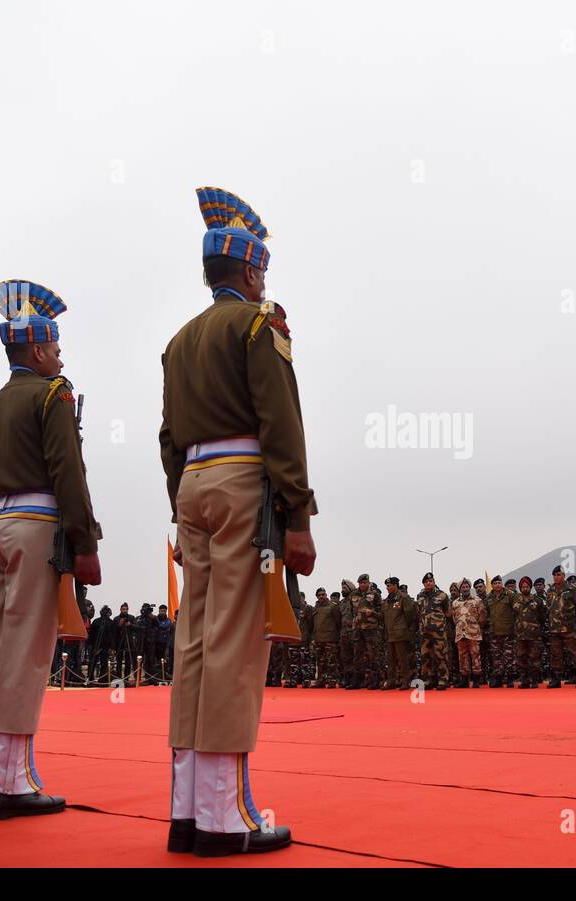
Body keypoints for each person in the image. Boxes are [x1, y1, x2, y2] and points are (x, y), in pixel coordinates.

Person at [159, 187, 315, 856]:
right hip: (243, 486)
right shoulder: (259, 324)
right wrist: (299, 512)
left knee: (193, 643)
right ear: (250, 272)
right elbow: (281, 424)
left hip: (192, 486)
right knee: (234, 644)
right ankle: (225, 817)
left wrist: (180, 500)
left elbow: (168, 436)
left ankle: (187, 806)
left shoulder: (179, 340)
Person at [0, 279, 101, 821]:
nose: (60, 354)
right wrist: (85, 540)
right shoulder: (54, 393)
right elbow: (67, 472)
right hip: (37, 527)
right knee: (26, 653)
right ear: (38, 349)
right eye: (55, 346)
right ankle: (9, 782)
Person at [544, 566, 576, 688]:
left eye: (559, 574)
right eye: (555, 575)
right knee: (556, 655)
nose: (556, 577)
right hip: (554, 628)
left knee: (575, 653)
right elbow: (548, 609)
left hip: (569, 628)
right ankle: (556, 680)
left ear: (564, 575)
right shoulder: (550, 591)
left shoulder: (572, 590)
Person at [415, 573, 451, 690]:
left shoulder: (442, 595)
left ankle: (443, 679)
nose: (428, 583)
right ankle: (427, 680)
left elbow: (448, 612)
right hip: (424, 631)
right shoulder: (420, 596)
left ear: (434, 582)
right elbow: (418, 612)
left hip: (438, 631)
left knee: (441, 655)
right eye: (426, 582)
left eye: (430, 581)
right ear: (424, 584)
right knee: (425, 656)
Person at [381, 577, 416, 689]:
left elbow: (409, 615)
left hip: (400, 634)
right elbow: (384, 617)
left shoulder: (403, 598)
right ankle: (391, 680)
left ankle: (405, 680)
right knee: (390, 660)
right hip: (390, 634)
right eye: (387, 586)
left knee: (402, 659)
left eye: (389, 585)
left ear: (396, 585)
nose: (388, 588)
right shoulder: (387, 601)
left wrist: (404, 628)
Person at [450, 579, 487, 688]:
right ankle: (464, 680)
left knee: (475, 656)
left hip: (473, 633)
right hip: (460, 633)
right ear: (460, 589)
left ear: (469, 588)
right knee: (462, 657)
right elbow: (454, 618)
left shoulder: (477, 600)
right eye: (463, 587)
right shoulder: (455, 602)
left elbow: (482, 618)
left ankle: (476, 680)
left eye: (466, 587)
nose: (465, 589)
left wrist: (475, 626)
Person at [350, 574, 384, 689]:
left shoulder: (375, 595)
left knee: (373, 655)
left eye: (365, 583)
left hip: (371, 629)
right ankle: (357, 682)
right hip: (357, 629)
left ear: (368, 583)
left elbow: (381, 613)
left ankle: (375, 681)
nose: (363, 585)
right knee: (357, 656)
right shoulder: (353, 594)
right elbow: (352, 611)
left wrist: (373, 613)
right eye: (361, 583)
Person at [512, 576, 546, 687]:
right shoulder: (515, 601)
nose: (525, 588)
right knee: (521, 658)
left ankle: (535, 680)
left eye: (527, 586)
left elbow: (542, 617)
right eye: (523, 587)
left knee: (535, 658)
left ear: (530, 587)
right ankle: (524, 680)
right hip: (520, 635)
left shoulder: (537, 600)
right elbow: (513, 616)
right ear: (520, 588)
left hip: (534, 635)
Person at [483, 576, 515, 688]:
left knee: (509, 656)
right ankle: (498, 679)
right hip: (495, 632)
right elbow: (486, 614)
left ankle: (510, 678)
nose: (497, 585)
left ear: (502, 584)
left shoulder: (509, 595)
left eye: (499, 583)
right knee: (496, 658)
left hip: (508, 631)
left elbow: (516, 610)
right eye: (495, 583)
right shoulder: (488, 598)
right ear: (491, 585)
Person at [310, 588, 341, 688]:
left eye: (323, 594)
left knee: (331, 661)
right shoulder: (315, 608)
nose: (321, 596)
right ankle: (321, 680)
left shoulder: (333, 607)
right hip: (318, 639)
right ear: (317, 596)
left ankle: (332, 681)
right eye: (319, 595)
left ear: (326, 595)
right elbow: (312, 624)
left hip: (330, 639)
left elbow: (338, 622)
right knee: (320, 661)